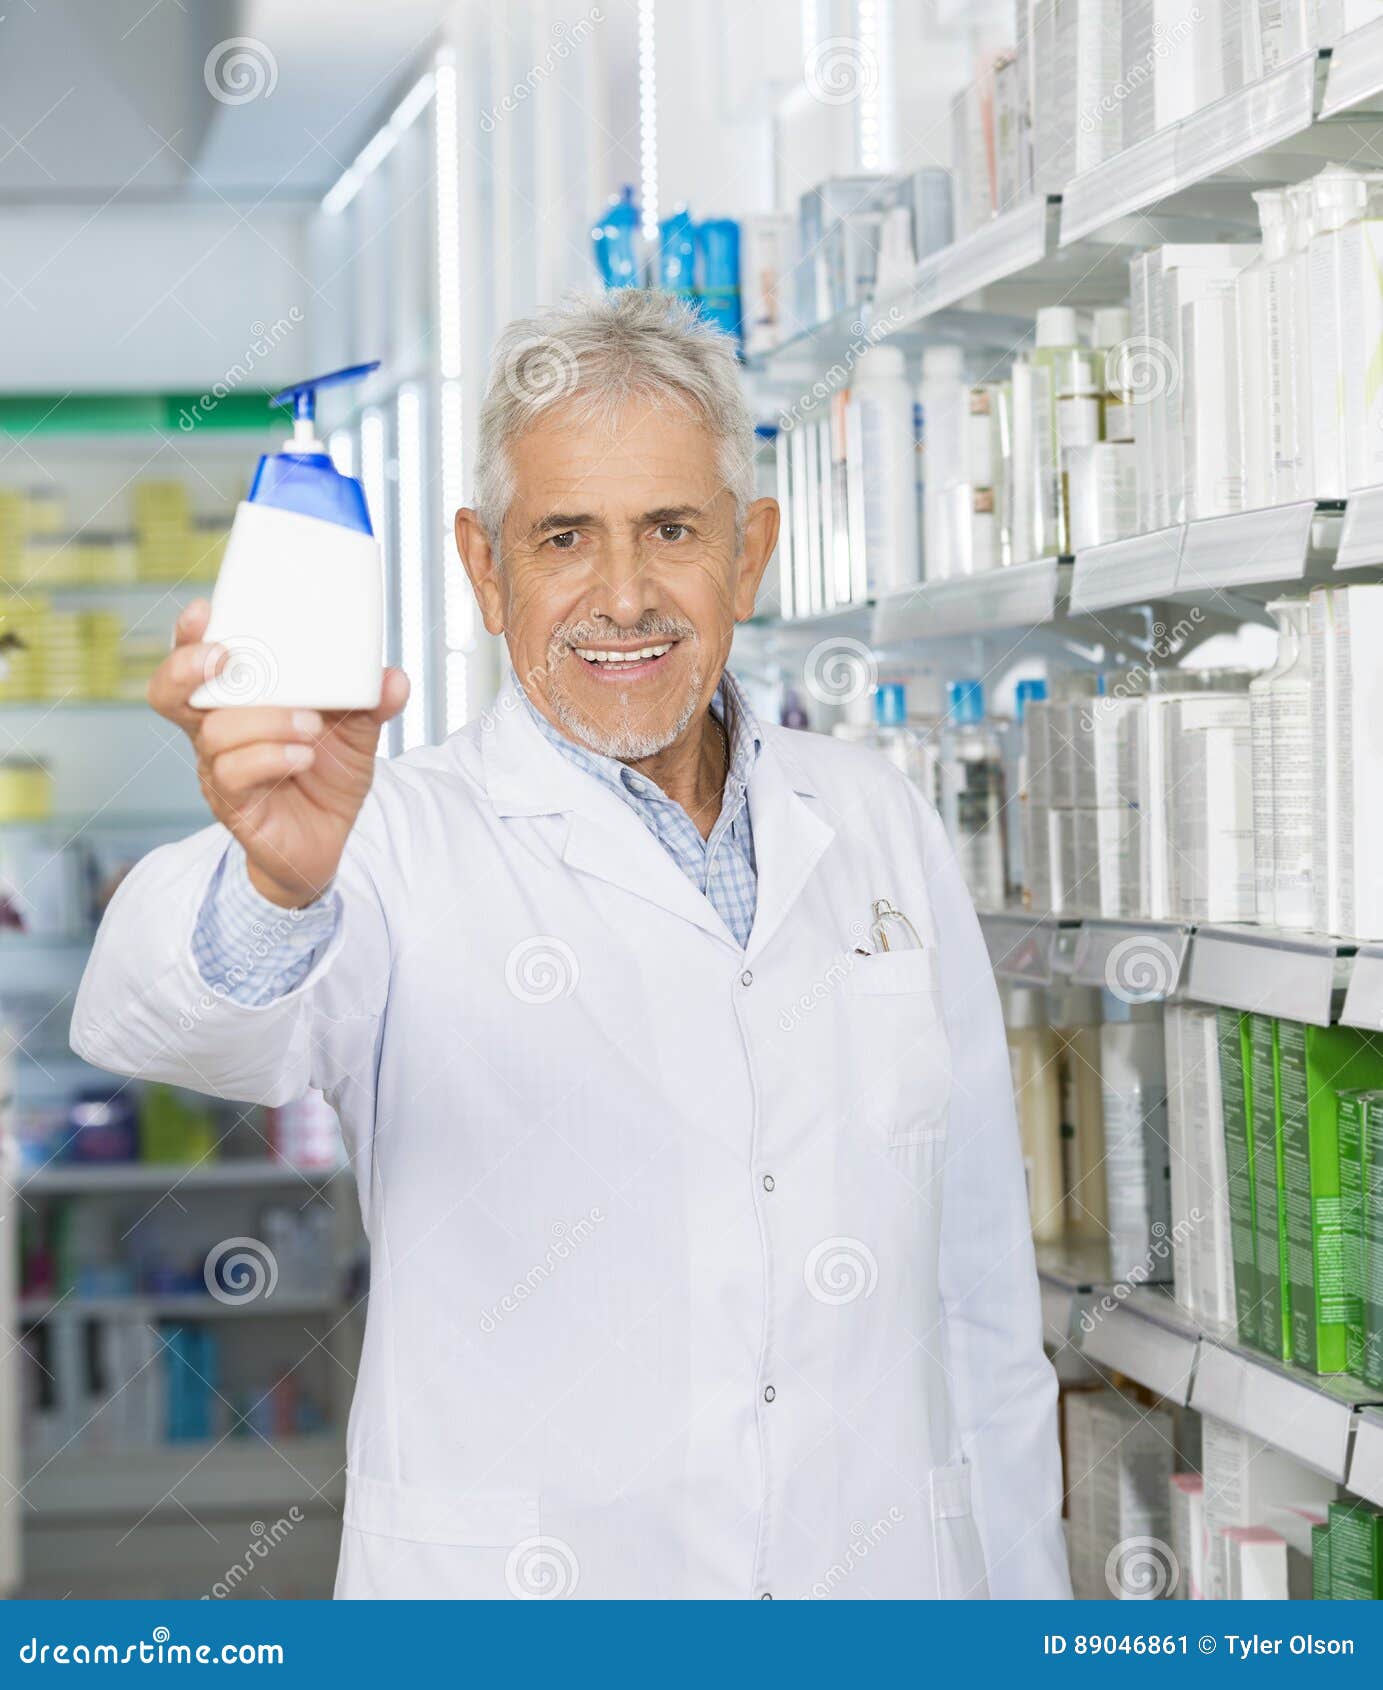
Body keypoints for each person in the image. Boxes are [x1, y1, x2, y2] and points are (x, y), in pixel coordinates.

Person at [72, 288, 1070, 1601]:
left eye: (671, 528)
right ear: (485, 567)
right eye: (563, 537)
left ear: (750, 552)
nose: (623, 595)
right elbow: (163, 1018)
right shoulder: (396, 839)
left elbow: (979, 1288)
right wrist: (273, 874)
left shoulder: (874, 817)